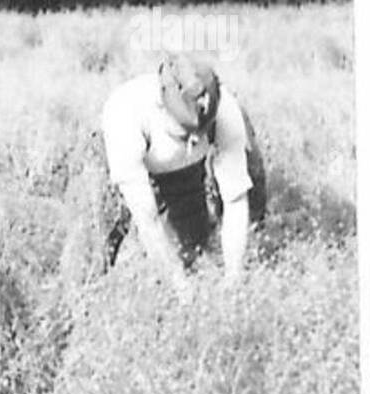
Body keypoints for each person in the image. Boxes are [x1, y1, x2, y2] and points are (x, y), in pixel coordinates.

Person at [101, 52, 267, 284]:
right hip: (145, 165)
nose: (193, 143)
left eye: (200, 135)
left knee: (201, 246)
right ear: (162, 108)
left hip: (185, 168)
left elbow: (236, 200)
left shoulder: (225, 110)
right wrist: (179, 287)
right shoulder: (125, 116)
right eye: (183, 136)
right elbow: (147, 220)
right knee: (108, 246)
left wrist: (234, 278)